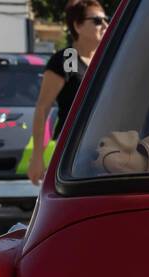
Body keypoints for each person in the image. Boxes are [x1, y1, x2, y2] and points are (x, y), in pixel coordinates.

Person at [28, 0, 108, 185]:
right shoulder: (69, 58)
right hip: (72, 150)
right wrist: (37, 156)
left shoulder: (104, 60)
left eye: (106, 19)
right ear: (77, 26)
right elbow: (43, 108)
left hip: (103, 148)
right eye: (97, 21)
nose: (105, 25)